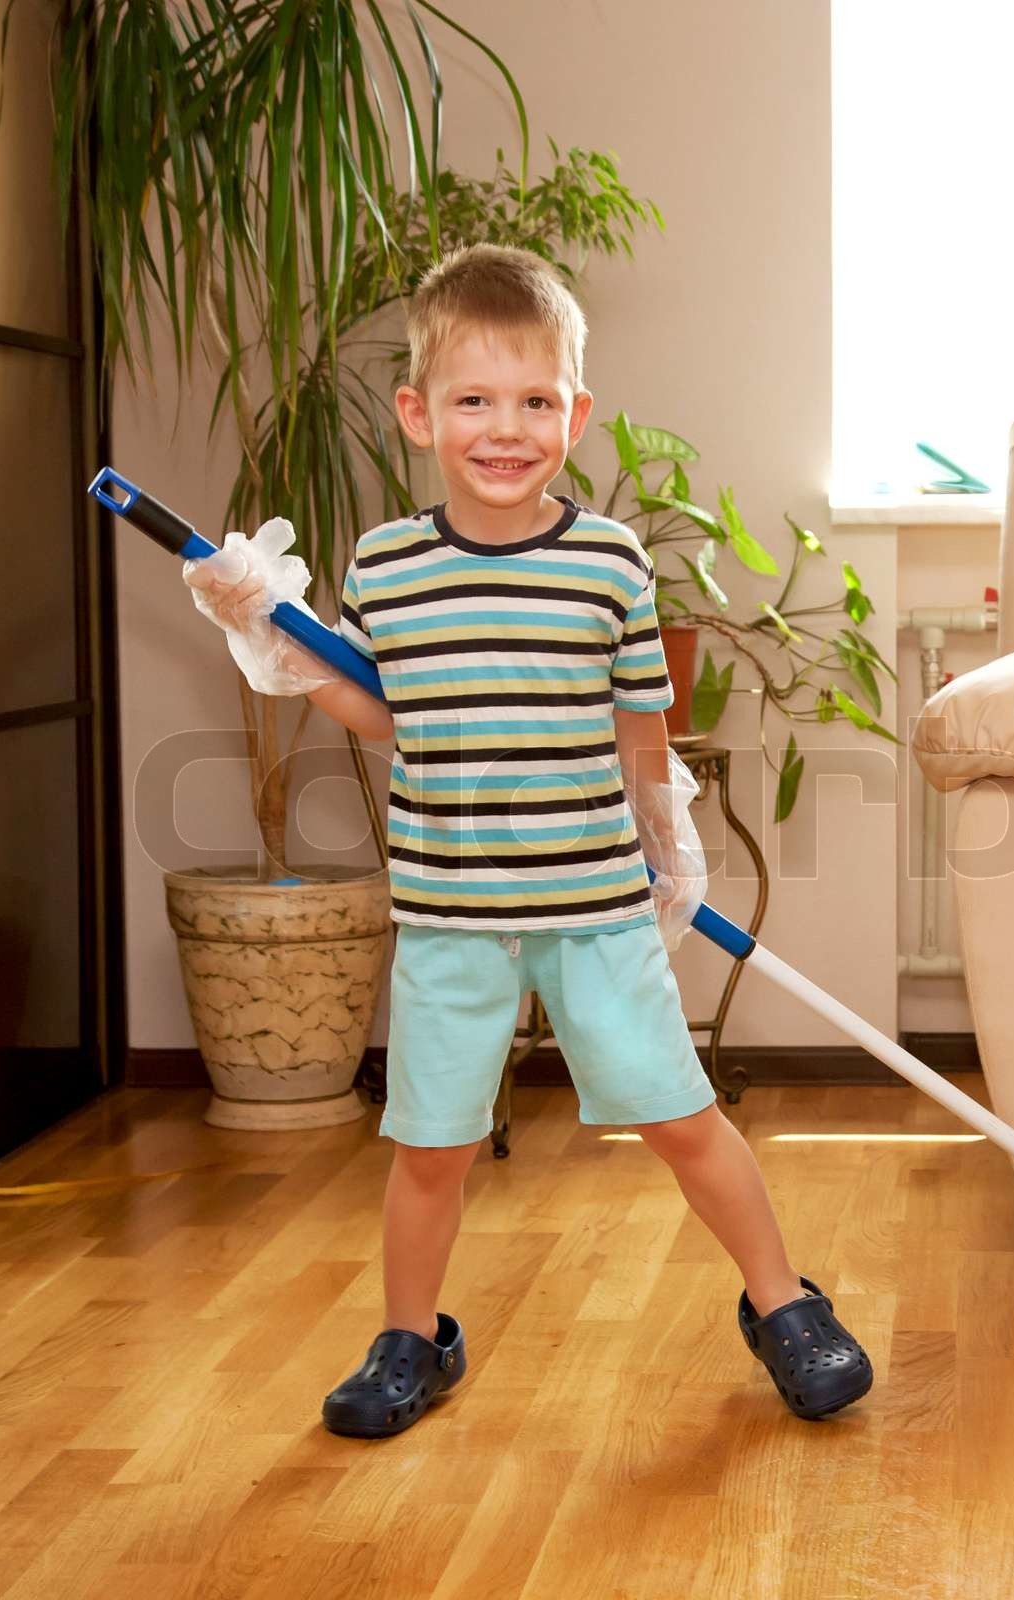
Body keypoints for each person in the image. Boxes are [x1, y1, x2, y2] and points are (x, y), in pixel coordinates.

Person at [182, 243, 872, 1434]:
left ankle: (783, 1303)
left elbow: (639, 720)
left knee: (678, 1114)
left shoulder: (607, 561)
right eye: (473, 401)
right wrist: (277, 645)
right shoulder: (388, 566)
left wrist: (670, 840)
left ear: (576, 412)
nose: (506, 430)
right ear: (418, 414)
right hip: (451, 916)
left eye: (535, 401)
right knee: (433, 1145)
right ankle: (410, 1339)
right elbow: (394, 720)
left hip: (598, 905)